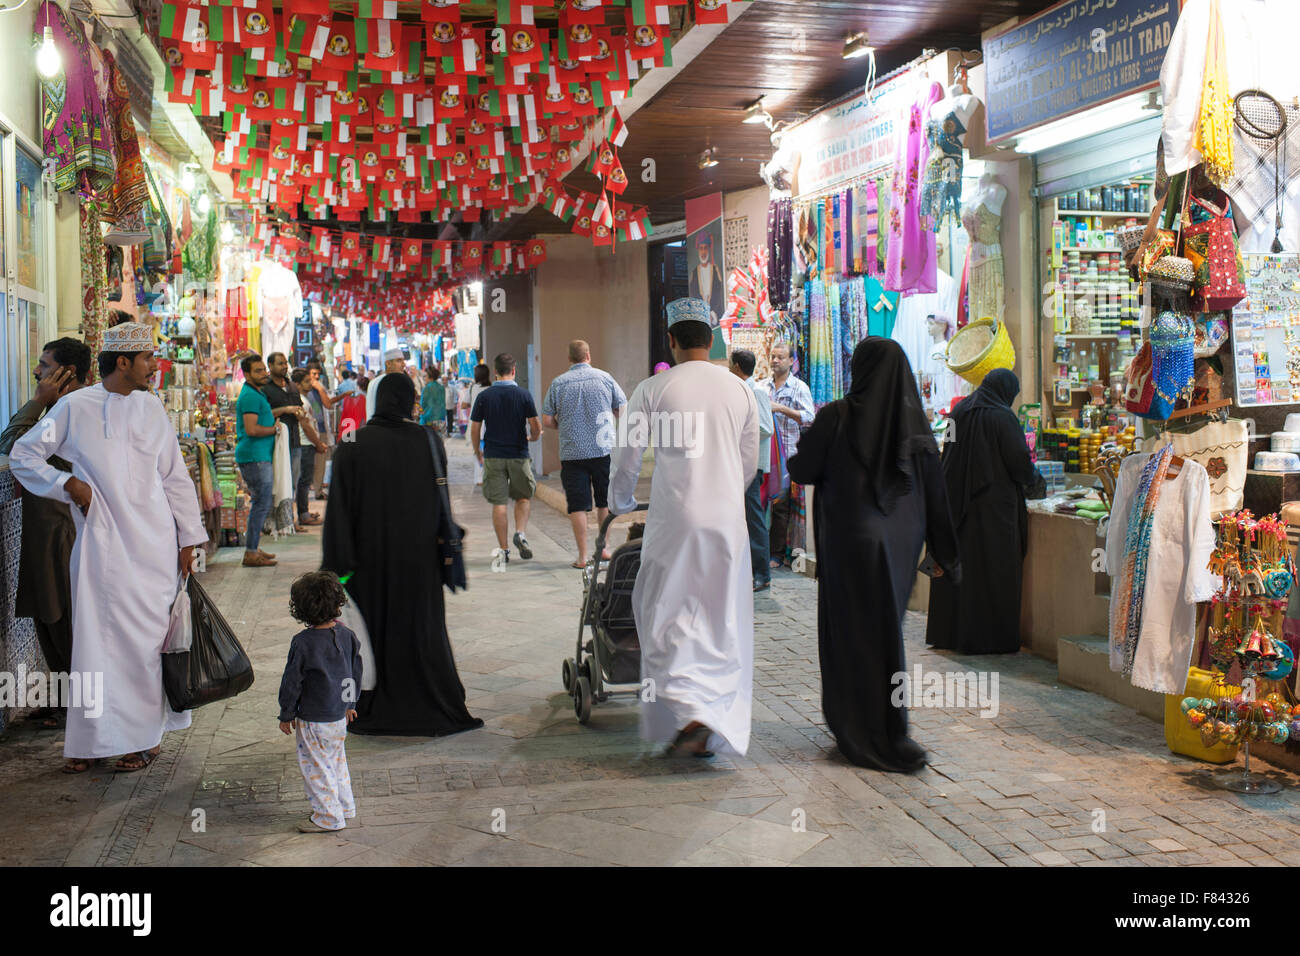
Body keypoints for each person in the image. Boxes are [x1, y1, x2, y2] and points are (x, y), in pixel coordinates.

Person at [9, 322, 208, 774]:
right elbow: (23, 455)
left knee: (145, 647)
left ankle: (146, 739)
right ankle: (92, 740)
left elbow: (175, 478)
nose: (154, 367)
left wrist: (188, 540)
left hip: (155, 548)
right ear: (123, 362)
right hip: (99, 548)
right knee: (95, 646)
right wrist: (66, 483)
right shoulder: (75, 407)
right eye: (147, 359)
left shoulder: (152, 409)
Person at [787, 337, 960, 773]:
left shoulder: (836, 418)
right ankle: (890, 731)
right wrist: (946, 556)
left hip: (849, 547)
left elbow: (802, 469)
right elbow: (937, 497)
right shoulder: (917, 430)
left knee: (851, 637)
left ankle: (858, 728)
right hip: (899, 553)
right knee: (885, 636)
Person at [609, 297, 759, 758]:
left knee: (664, 612)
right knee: (720, 617)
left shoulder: (653, 390)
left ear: (671, 340)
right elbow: (749, 464)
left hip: (674, 521)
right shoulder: (740, 390)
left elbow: (626, 459)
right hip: (727, 524)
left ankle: (688, 711)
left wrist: (621, 503)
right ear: (711, 339)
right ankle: (709, 715)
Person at [322, 374, 483, 737]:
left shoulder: (351, 443)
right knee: (421, 629)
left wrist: (337, 568)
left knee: (373, 633)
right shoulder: (427, 440)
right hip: (420, 561)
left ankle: (374, 706)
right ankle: (428, 703)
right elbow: (439, 502)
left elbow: (339, 512)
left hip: (367, 565)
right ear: (410, 399)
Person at [0, 337, 92, 730]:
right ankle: (61, 703)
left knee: (65, 620)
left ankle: (82, 712)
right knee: (48, 617)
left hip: (63, 529)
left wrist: (38, 400)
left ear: (66, 373)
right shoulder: (60, 410)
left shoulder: (72, 410)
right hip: (46, 526)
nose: (37, 371)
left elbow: (9, 446)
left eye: (44, 365)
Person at [927, 369, 1042, 654]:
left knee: (961, 573)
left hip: (955, 507)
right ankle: (990, 639)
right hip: (994, 512)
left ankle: (950, 634)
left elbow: (949, 453)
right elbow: (1018, 462)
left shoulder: (959, 412)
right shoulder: (1003, 417)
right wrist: (1036, 483)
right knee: (992, 573)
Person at [279, 571, 362, 833]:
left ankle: (328, 817)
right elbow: (354, 672)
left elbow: (292, 683)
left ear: (300, 609)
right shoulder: (347, 635)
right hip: (339, 716)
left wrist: (286, 713)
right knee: (337, 761)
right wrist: (350, 704)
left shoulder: (303, 643)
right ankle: (345, 807)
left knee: (316, 767)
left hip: (314, 720)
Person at [541, 340, 627, 568]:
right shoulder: (605, 378)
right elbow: (622, 408)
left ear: (569, 359)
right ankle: (604, 549)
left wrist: (564, 424)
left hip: (572, 453)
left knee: (578, 505)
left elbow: (547, 420)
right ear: (588, 355)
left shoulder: (558, 383)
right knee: (604, 502)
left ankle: (581, 556)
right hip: (603, 450)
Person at [470, 354, 541, 566]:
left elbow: (475, 428)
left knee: (499, 503)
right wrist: (534, 437)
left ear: (495, 372)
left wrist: (477, 451)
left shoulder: (485, 396)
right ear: (514, 370)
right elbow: (535, 425)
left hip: (493, 455)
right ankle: (520, 533)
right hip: (518, 454)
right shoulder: (523, 394)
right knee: (523, 498)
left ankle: (504, 549)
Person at [235, 354, 297, 567]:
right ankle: (251, 552)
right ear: (248, 374)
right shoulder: (251, 397)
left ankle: (253, 547)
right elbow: (251, 429)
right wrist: (274, 429)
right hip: (254, 456)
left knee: (261, 503)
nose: (264, 374)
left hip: (259, 455)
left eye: (264, 370)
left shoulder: (255, 393)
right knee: (261, 503)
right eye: (258, 371)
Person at [263, 353, 327, 531]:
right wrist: (285, 409)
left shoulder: (291, 386)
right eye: (280, 363)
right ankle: (272, 522)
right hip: (274, 442)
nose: (284, 366)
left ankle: (288, 520)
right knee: (274, 483)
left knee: (292, 482)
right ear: (270, 365)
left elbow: (302, 412)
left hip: (295, 441)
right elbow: (263, 413)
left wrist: (298, 413)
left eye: (285, 363)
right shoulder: (265, 389)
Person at [729, 348, 775, 592]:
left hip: (752, 463)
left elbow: (766, 427)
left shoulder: (756, 391)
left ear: (737, 366)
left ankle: (762, 573)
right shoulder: (743, 390)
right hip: (740, 463)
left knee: (754, 518)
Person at [766, 341, 814, 569]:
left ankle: (776, 554)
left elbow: (809, 417)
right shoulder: (762, 387)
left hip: (788, 456)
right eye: (773, 356)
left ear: (791, 361)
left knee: (781, 506)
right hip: (767, 456)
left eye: (780, 357)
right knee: (764, 505)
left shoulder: (799, 388)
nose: (775, 360)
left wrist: (781, 408)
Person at [291, 368, 328, 525]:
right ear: (298, 384)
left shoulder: (306, 399)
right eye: (307, 381)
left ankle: (304, 511)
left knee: (304, 480)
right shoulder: (301, 401)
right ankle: (303, 514)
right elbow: (306, 426)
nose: (310, 384)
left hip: (308, 443)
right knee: (304, 480)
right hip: (305, 443)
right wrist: (318, 443)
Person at [688, 232, 726, 322]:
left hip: (715, 314)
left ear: (708, 250)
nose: (703, 252)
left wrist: (712, 313)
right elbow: (694, 295)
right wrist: (703, 312)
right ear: (698, 251)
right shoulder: (694, 273)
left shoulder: (715, 270)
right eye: (701, 248)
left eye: (705, 248)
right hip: (700, 315)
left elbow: (718, 293)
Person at [365, 348, 405, 421]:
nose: (403, 364)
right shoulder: (386, 382)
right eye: (399, 361)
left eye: (403, 360)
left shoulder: (375, 381)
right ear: (388, 363)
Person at [420, 364, 447, 430]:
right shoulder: (441, 387)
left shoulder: (427, 388)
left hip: (429, 419)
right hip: (441, 418)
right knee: (439, 439)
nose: (424, 378)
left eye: (425, 376)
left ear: (430, 377)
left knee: (429, 439)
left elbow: (422, 404)